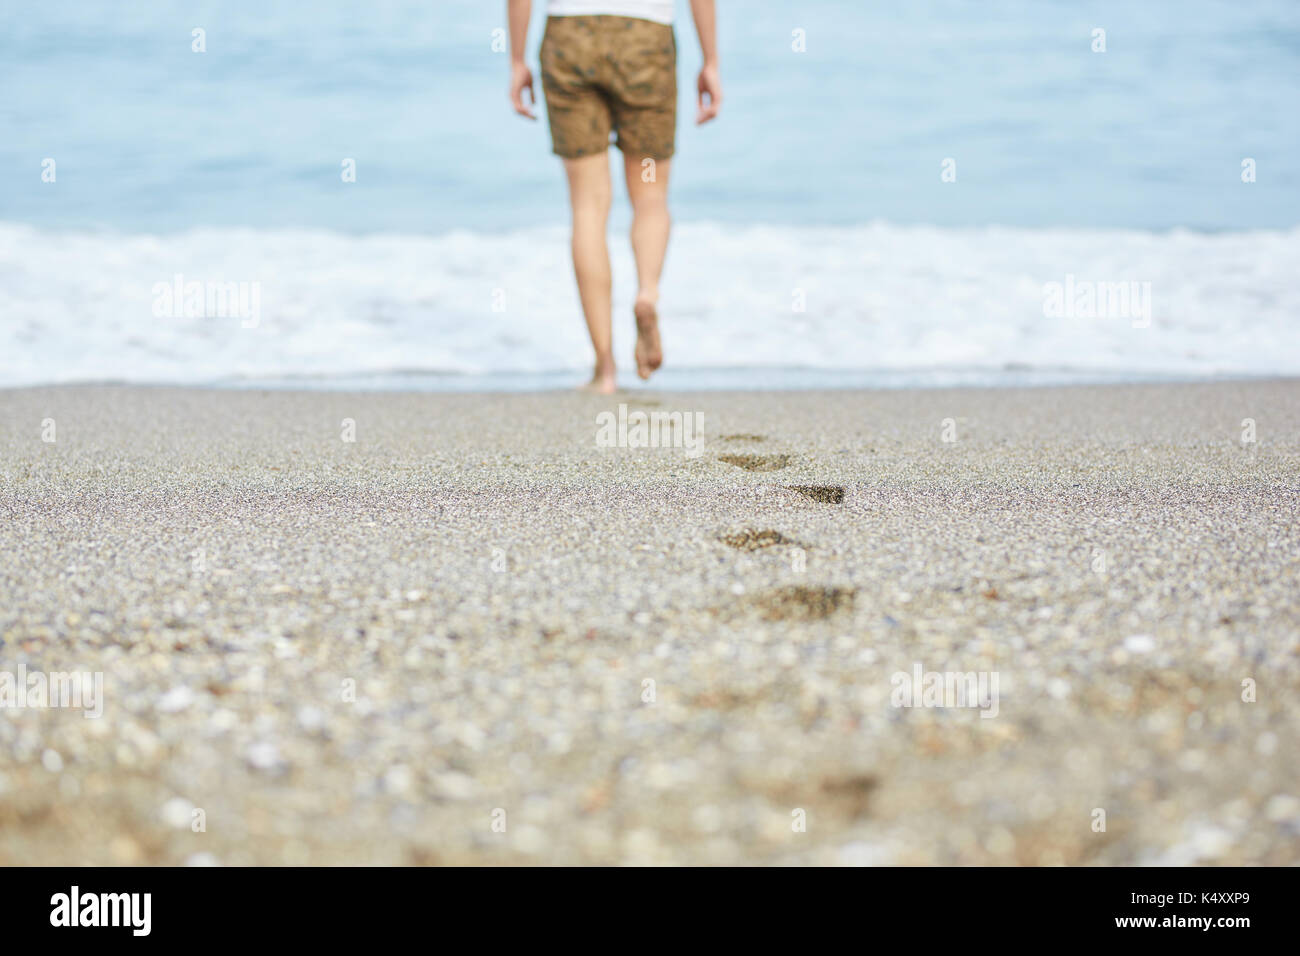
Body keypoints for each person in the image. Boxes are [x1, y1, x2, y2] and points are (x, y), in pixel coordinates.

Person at [507, 0, 721, 393]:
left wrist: (517, 58)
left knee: (588, 207)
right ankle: (647, 292)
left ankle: (604, 369)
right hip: (644, 42)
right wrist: (711, 61)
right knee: (650, 196)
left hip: (569, 38)